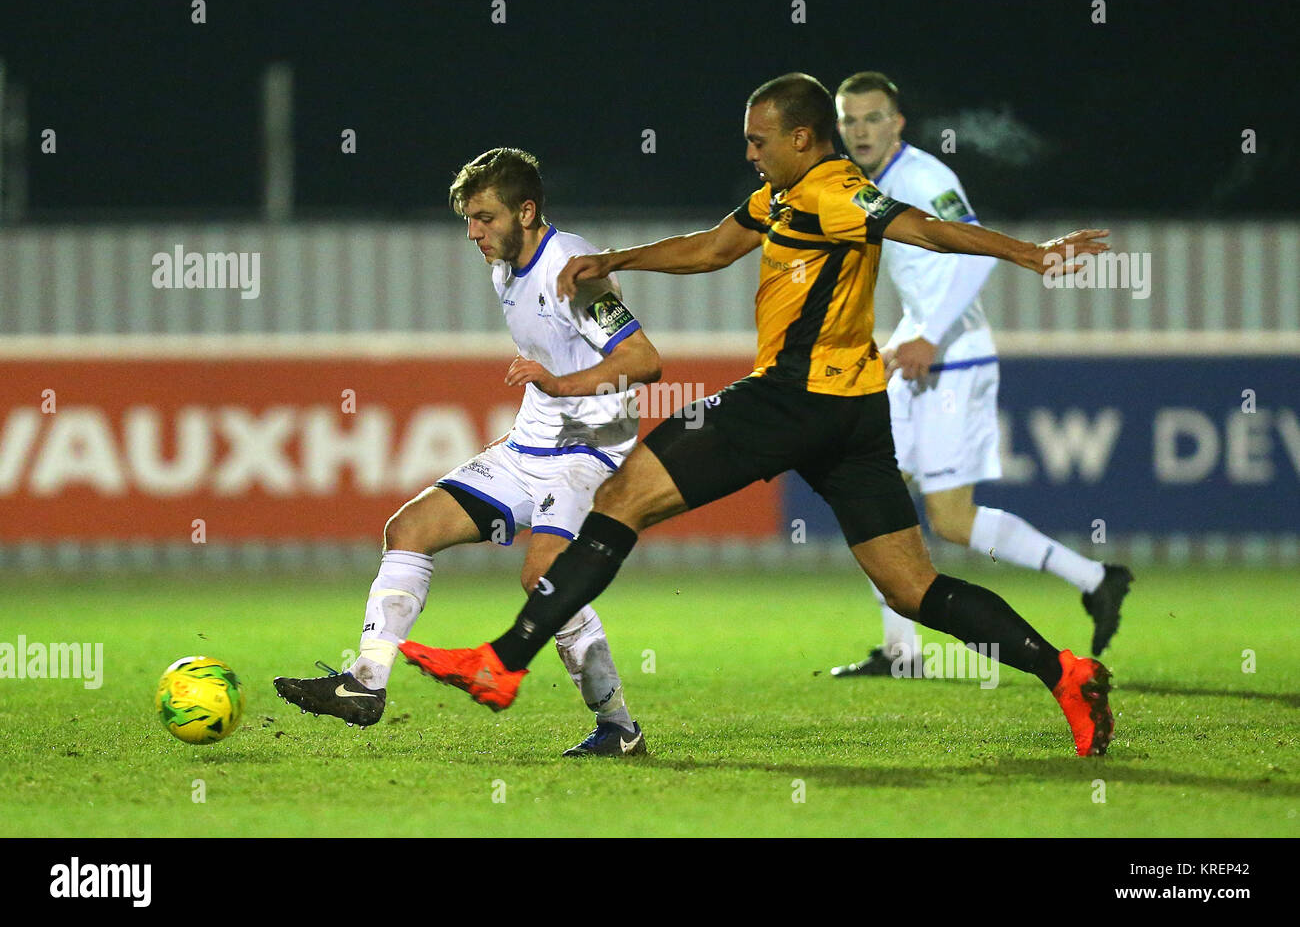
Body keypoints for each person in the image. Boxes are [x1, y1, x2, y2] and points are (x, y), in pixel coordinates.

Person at [401, 75, 1115, 757]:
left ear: (802, 137)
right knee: (911, 587)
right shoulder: (784, 193)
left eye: (758, 141)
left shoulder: (834, 190)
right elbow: (714, 248)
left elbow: (920, 228)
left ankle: (503, 661)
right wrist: (619, 259)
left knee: (622, 496)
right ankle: (1067, 674)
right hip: (855, 411)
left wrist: (1029, 254)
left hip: (793, 398)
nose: (749, 153)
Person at [274, 147, 659, 757]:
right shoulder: (506, 267)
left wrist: (559, 385)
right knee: (408, 529)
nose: (473, 232)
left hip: (590, 449)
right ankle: (365, 684)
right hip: (529, 444)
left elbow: (643, 362)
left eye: (485, 218)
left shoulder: (574, 270)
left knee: (546, 579)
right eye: (468, 220)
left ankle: (618, 727)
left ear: (526, 211)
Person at [829, 72, 1132, 678]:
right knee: (870, 489)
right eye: (849, 120)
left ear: (897, 123)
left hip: (952, 359)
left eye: (871, 118)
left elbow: (971, 260)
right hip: (917, 356)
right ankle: (901, 652)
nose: (860, 130)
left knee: (950, 519)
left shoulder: (925, 178)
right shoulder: (869, 183)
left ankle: (1096, 578)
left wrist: (929, 335)